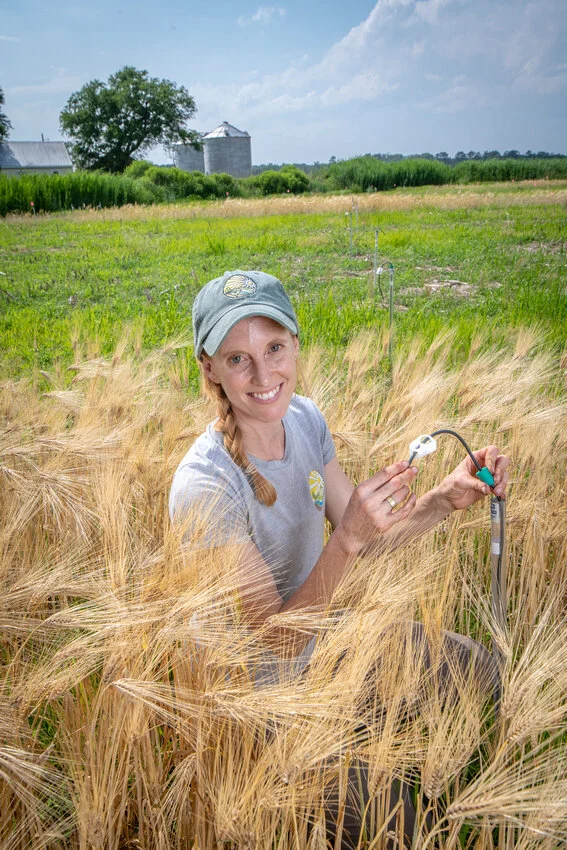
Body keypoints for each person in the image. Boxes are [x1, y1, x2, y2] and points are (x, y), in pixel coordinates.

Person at [169, 269, 510, 847]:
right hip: (265, 706)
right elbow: (273, 640)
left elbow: (368, 539)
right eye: (237, 359)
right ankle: (351, 759)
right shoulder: (204, 485)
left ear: (296, 345)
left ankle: (375, 735)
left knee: (485, 674)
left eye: (274, 348)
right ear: (209, 368)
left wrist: (443, 500)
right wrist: (346, 540)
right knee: (400, 829)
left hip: (329, 647)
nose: (262, 375)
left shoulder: (304, 419)